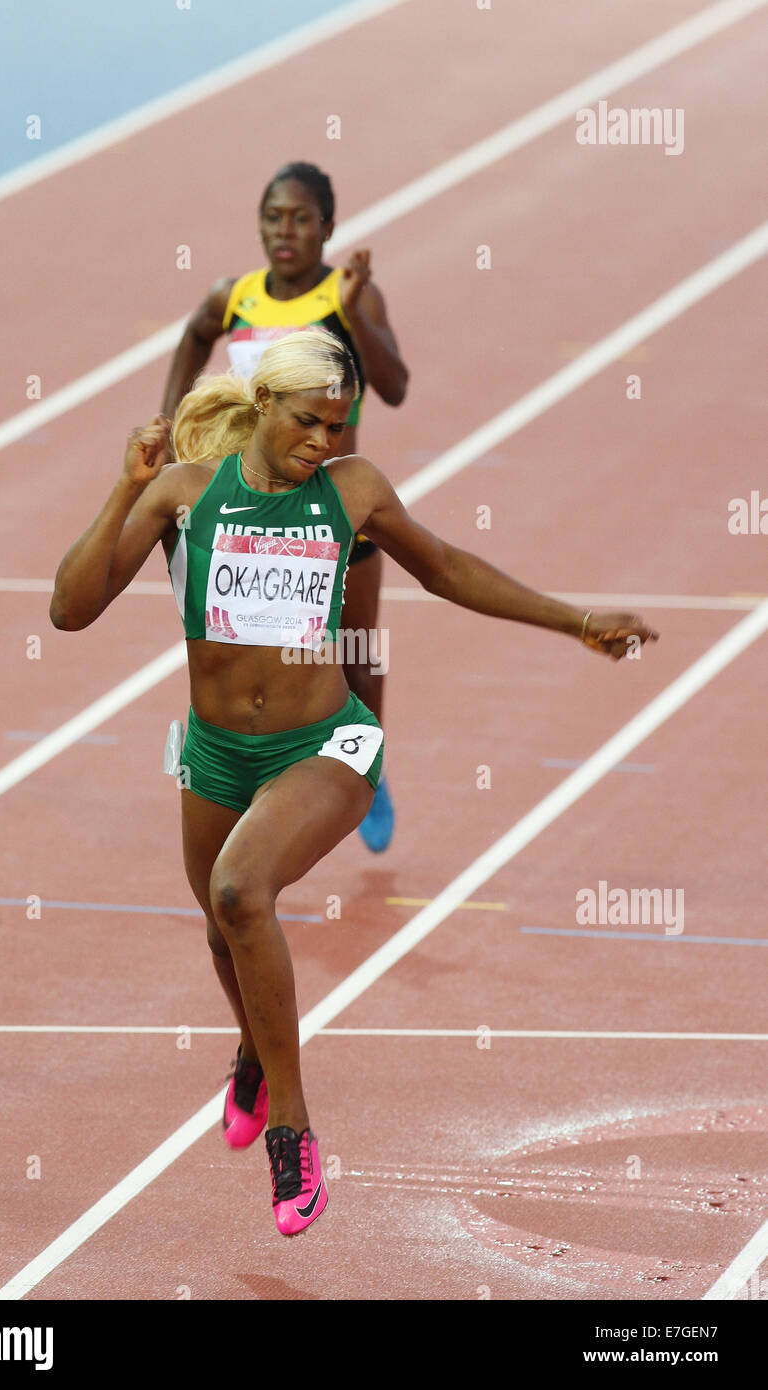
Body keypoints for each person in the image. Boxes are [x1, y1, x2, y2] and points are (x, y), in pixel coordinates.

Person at [50, 329, 658, 1237]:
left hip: (325, 746)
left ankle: (291, 1133)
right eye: (308, 421)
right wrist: (125, 489)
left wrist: (574, 621)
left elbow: (446, 568)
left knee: (239, 891)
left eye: (336, 426)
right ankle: (254, 1054)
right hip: (216, 753)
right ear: (263, 403)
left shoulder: (352, 490)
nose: (323, 442)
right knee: (222, 932)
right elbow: (69, 610)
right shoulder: (185, 493)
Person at [161, 161, 408, 853]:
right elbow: (193, 336)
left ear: (327, 227)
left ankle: (368, 763)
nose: (286, 231)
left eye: (301, 218)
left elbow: (394, 385)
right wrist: (173, 425)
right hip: (250, 512)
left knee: (354, 651)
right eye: (274, 218)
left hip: (331, 510)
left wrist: (354, 314)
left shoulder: (348, 294)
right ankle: (255, 776)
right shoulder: (234, 296)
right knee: (254, 648)